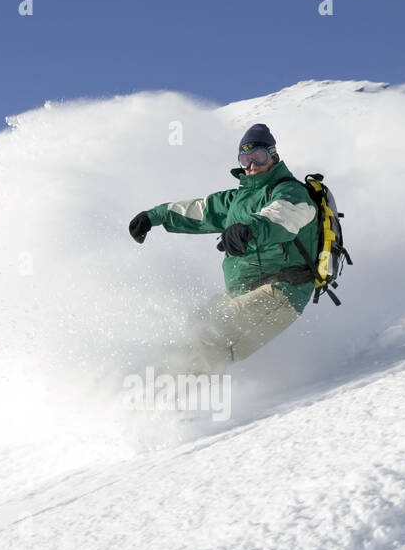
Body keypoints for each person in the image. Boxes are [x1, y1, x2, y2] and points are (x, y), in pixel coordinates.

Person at [128, 124, 322, 372]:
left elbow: (279, 218)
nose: (252, 165)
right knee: (195, 325)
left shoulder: (291, 192)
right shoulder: (237, 200)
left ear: (273, 156)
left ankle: (178, 402)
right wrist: (153, 216)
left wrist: (248, 229)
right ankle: (149, 383)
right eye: (245, 159)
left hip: (282, 291)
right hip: (243, 291)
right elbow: (200, 210)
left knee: (211, 336)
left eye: (259, 157)